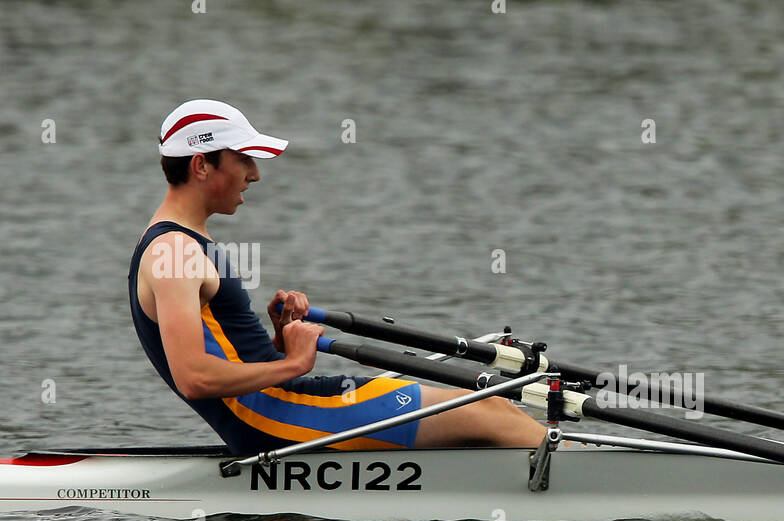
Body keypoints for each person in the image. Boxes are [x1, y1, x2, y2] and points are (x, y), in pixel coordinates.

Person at [128, 99, 544, 454]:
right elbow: (195, 377)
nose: (254, 174)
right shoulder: (175, 251)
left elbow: (225, 355)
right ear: (201, 165)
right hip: (274, 417)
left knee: (484, 408)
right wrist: (292, 363)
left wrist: (279, 336)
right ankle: (584, 481)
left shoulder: (180, 242)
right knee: (489, 409)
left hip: (283, 405)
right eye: (244, 160)